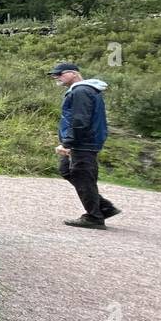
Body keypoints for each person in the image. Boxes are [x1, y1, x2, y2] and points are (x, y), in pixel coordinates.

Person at [48, 61, 119, 229]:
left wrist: (68, 143)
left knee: (82, 176)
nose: (56, 77)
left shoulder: (81, 91)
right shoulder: (84, 90)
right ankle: (103, 207)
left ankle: (94, 217)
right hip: (84, 141)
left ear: (73, 73)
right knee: (66, 170)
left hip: (83, 142)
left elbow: (80, 120)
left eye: (60, 74)